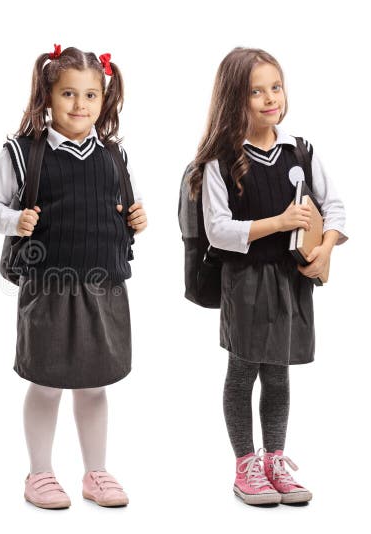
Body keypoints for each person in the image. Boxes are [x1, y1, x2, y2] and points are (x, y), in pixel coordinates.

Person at [0, 45, 146, 509]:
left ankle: (96, 472)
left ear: (104, 98)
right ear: (48, 95)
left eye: (91, 95)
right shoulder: (24, 152)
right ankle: (40, 474)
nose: (79, 105)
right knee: (46, 382)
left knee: (95, 383)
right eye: (68, 93)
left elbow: (116, 203)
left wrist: (135, 217)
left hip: (103, 284)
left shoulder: (113, 154)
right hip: (48, 287)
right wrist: (14, 222)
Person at [188, 47, 347, 505]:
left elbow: (333, 207)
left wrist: (328, 248)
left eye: (275, 87)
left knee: (278, 373)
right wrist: (278, 223)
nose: (268, 98)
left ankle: (275, 459)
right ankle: (246, 467)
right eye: (255, 91)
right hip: (247, 282)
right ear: (233, 99)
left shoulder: (301, 150)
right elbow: (218, 230)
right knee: (243, 371)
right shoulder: (221, 161)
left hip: (289, 279)